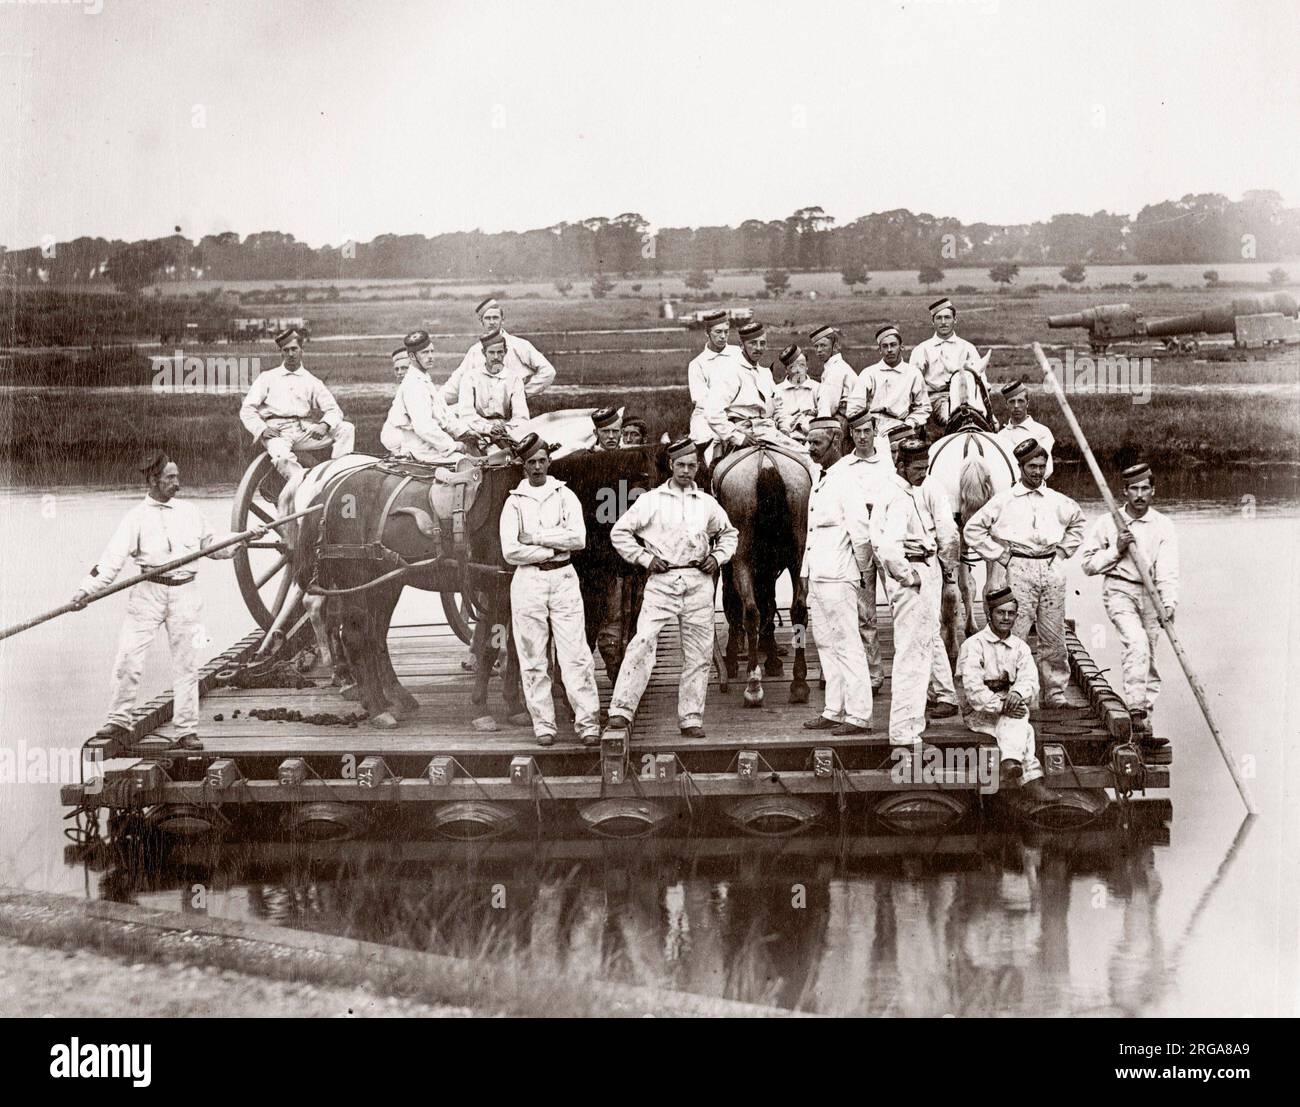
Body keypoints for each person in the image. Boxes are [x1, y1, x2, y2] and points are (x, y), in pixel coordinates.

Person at [70, 451, 268, 751]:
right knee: (128, 658)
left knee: (187, 665)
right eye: (170, 478)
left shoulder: (189, 512)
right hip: (147, 592)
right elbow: (110, 561)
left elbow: (215, 548)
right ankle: (119, 719)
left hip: (185, 594)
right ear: (153, 480)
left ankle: (186, 730)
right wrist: (86, 590)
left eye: (177, 477)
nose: (177, 483)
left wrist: (243, 537)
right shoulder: (135, 518)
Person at [604, 437, 738, 739]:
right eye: (681, 465)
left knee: (699, 652)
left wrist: (717, 557)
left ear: (698, 467)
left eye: (692, 465)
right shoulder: (651, 500)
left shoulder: (706, 503)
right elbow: (620, 532)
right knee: (643, 642)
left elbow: (729, 534)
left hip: (698, 581)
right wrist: (645, 558)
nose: (686, 471)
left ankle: (691, 717)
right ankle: (621, 710)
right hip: (662, 582)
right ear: (670, 465)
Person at [963, 437, 1086, 707]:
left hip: (1051, 568)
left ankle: (1054, 691)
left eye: (1042, 466)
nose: (1037, 472)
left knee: (1053, 634)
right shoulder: (1003, 501)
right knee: (1014, 633)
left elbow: (1078, 522)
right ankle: (1014, 691)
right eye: (1032, 466)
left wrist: (1064, 551)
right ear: (1021, 467)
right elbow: (972, 529)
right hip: (1019, 567)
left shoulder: (1057, 500)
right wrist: (1000, 555)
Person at [498, 435, 602, 747]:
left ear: (549, 461)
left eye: (542, 460)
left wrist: (538, 537)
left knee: (576, 654)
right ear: (523, 466)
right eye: (531, 462)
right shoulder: (514, 502)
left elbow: (578, 539)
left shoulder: (565, 495)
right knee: (532, 656)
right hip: (529, 582)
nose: (538, 467)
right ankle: (543, 724)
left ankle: (588, 722)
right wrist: (549, 550)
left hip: (564, 580)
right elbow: (511, 552)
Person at [871, 438, 961, 749]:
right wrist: (909, 577)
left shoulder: (908, 490)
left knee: (923, 643)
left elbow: (874, 536)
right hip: (915, 572)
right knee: (912, 655)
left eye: (925, 467)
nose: (922, 474)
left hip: (926, 568)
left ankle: (921, 717)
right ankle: (905, 733)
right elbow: (885, 547)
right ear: (901, 466)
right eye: (917, 469)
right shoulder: (896, 497)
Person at [1080, 461, 1179, 745]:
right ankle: (1135, 714)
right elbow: (1087, 565)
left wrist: (1168, 603)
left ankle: (1145, 724)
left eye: (1144, 489)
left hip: (1150, 594)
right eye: (1133, 489)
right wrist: (1116, 549)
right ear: (1124, 492)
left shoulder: (1163, 525)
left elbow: (1169, 570)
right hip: (1120, 589)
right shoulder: (1108, 523)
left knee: (1149, 656)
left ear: (1153, 491)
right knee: (1136, 644)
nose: (1139, 494)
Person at [800, 417, 874, 735]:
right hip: (818, 576)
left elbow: (860, 533)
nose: (810, 449)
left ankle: (858, 715)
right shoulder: (822, 478)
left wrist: (862, 571)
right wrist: (805, 573)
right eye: (808, 443)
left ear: (835, 441)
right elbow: (813, 531)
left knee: (847, 644)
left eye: (816, 443)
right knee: (825, 644)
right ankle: (834, 708)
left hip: (839, 577)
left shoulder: (847, 480)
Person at [957, 587, 1058, 803]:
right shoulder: (973, 646)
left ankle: (1011, 762)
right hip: (979, 712)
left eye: (1011, 613)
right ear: (989, 614)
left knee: (1022, 724)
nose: (1005, 618)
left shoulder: (1020, 647)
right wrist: (1001, 705)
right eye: (1000, 613)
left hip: (1009, 709)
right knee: (1021, 723)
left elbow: (1030, 680)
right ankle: (1029, 778)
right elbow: (973, 690)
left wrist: (1018, 693)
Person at [239, 327, 355, 482]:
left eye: (294, 349)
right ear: (281, 353)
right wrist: (261, 429)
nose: (290, 354)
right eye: (286, 350)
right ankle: (303, 485)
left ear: (302, 351)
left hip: (303, 431)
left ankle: (336, 477)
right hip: (277, 432)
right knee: (281, 458)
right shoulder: (267, 378)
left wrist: (324, 425)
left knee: (346, 428)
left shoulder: (312, 381)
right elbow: (247, 409)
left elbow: (334, 409)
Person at [838, 408, 896, 691]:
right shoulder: (843, 468)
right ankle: (873, 674)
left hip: (886, 541)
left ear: (875, 432)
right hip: (858, 543)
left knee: (900, 605)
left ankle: (913, 676)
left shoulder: (888, 465)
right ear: (851, 434)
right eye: (857, 432)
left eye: (867, 431)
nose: (862, 437)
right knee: (865, 612)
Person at [703, 321, 812, 470]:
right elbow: (712, 412)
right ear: (742, 345)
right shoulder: (729, 371)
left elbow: (778, 407)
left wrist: (785, 428)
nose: (758, 348)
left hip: (769, 431)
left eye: (762, 343)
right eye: (753, 343)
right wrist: (738, 437)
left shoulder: (765, 374)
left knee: (808, 459)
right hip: (742, 430)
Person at [442, 296, 555, 404]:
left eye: (495, 318)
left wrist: (523, 393)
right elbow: (455, 384)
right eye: (487, 318)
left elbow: (548, 372)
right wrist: (436, 401)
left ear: (503, 320)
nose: (492, 322)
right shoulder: (475, 351)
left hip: (521, 406)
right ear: (481, 322)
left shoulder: (519, 345)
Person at [389, 330, 474, 463]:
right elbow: (424, 427)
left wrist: (465, 432)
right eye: (424, 353)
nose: (430, 356)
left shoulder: (424, 379)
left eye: (431, 351)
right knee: (469, 466)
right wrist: (452, 446)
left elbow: (444, 415)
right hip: (421, 450)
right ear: (412, 356)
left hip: (431, 445)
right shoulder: (414, 385)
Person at [909, 298, 984, 429]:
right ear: (933, 321)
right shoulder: (922, 349)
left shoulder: (967, 347)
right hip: (936, 398)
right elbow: (913, 382)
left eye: (947, 318)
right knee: (954, 419)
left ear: (955, 320)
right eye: (939, 318)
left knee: (980, 420)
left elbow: (981, 378)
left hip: (967, 396)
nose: (943, 322)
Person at [847, 324, 931, 434]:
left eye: (893, 345)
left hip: (900, 427)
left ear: (901, 347)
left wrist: (910, 423)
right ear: (880, 350)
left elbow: (923, 407)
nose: (889, 350)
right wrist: (867, 425)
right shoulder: (869, 373)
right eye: (885, 346)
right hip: (871, 427)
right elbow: (854, 407)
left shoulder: (913, 373)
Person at [456, 328, 529, 442]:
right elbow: (466, 414)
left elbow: (521, 416)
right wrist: (488, 428)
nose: (496, 357)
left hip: (506, 430)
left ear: (505, 352)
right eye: (491, 352)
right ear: (483, 353)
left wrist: (505, 429)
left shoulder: (514, 379)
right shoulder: (470, 377)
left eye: (500, 352)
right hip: (478, 429)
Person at [687, 309, 740, 449]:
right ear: (707, 333)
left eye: (726, 331)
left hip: (738, 412)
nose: (723, 336)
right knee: (708, 447)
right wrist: (723, 422)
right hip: (707, 417)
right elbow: (703, 402)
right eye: (718, 332)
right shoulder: (697, 364)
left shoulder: (739, 354)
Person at [996, 377, 1056, 481]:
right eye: (1011, 402)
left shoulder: (1042, 432)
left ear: (1027, 403)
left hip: (1035, 489)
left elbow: (1046, 468)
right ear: (1006, 405)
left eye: (1020, 401)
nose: (1016, 406)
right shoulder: (1000, 436)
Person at [809, 324, 857, 430]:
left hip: (844, 421)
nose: (819, 350)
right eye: (816, 346)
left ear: (834, 346)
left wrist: (819, 427)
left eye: (823, 345)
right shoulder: (834, 367)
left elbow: (828, 405)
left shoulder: (836, 369)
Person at [773, 344, 820, 439]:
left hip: (810, 437)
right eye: (793, 366)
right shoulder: (777, 390)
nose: (798, 370)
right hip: (785, 437)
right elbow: (775, 415)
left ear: (807, 367)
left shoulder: (817, 388)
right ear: (786, 369)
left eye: (802, 365)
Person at [380, 346, 412, 455]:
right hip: (397, 437)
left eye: (404, 368)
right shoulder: (404, 391)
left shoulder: (413, 387)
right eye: (397, 369)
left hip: (405, 434)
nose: (399, 372)